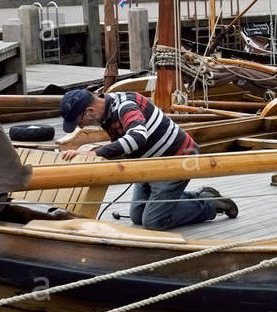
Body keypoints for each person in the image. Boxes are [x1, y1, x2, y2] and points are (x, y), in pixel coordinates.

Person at [58, 89, 237, 229]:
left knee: (154, 221)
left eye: (80, 122)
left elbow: (138, 137)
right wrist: (90, 150)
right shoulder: (107, 109)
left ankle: (210, 205)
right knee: (137, 217)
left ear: (89, 111)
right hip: (149, 165)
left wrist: (97, 153)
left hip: (176, 161)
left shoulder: (125, 106)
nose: (81, 126)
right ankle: (199, 195)